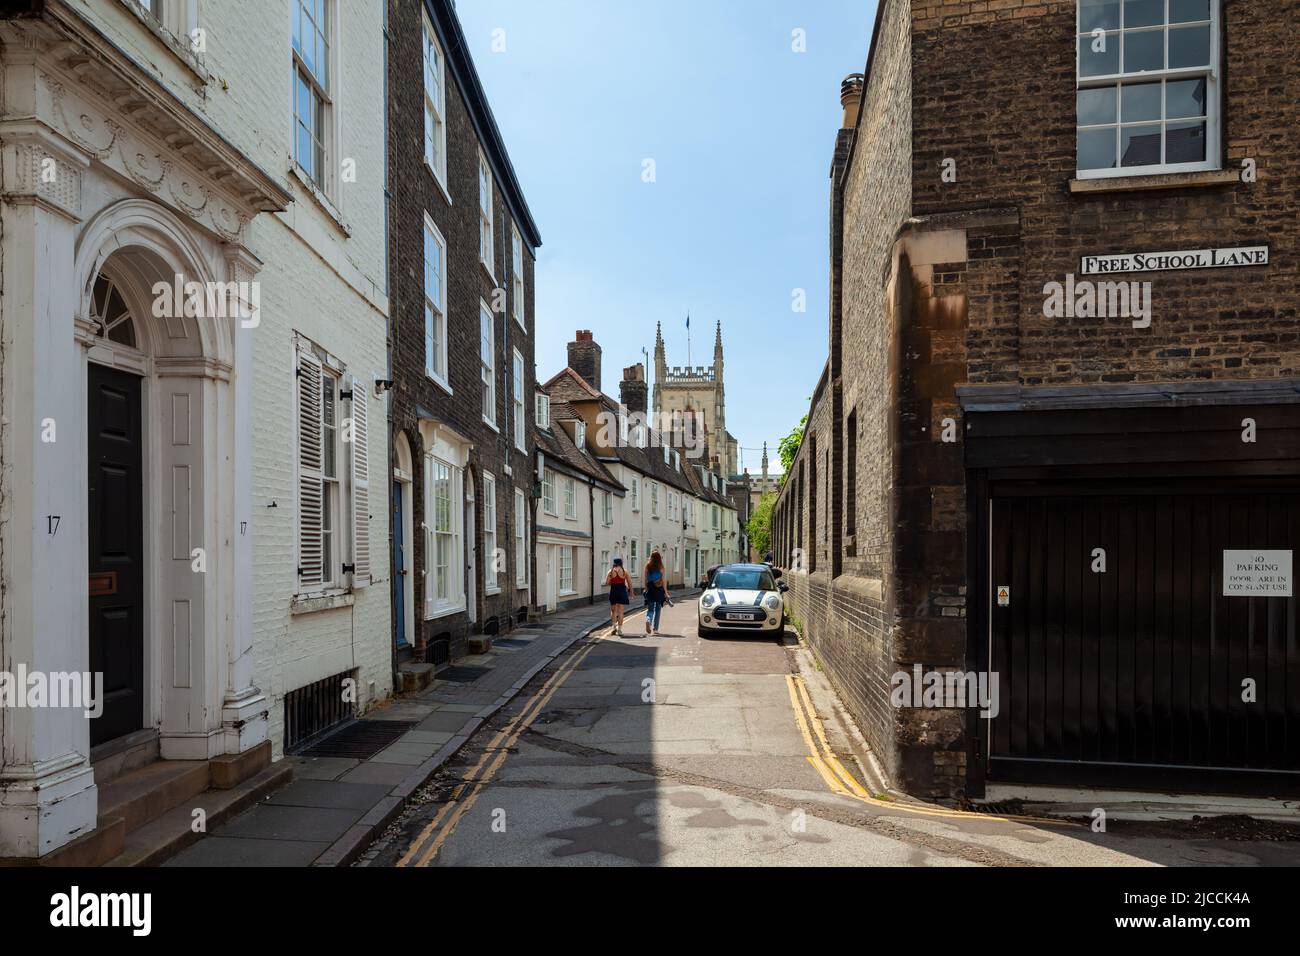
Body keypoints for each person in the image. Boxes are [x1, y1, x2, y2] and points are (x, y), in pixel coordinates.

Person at [643, 549, 670, 635]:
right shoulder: (661, 567)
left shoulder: (647, 566)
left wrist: (646, 588)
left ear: (651, 557)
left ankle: (648, 619)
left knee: (650, 609)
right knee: (658, 609)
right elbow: (664, 581)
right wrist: (666, 592)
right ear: (659, 558)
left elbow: (645, 579)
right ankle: (655, 629)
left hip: (650, 589)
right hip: (659, 590)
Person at [606, 557, 631, 636]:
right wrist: (632, 592)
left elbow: (607, 583)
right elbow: (630, 583)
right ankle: (620, 630)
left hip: (613, 591)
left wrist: (611, 580)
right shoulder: (624, 572)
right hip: (622, 591)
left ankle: (614, 628)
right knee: (621, 611)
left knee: (613, 610)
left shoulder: (610, 571)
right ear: (621, 563)